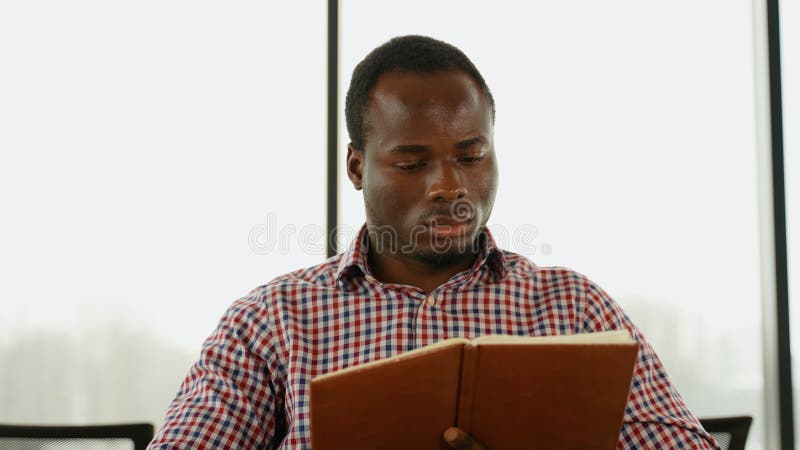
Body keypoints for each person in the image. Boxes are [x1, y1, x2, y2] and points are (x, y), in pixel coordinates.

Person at [149, 35, 718, 449]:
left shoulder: (574, 310)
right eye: (412, 162)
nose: (450, 185)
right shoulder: (271, 322)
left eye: (471, 156)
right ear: (356, 166)